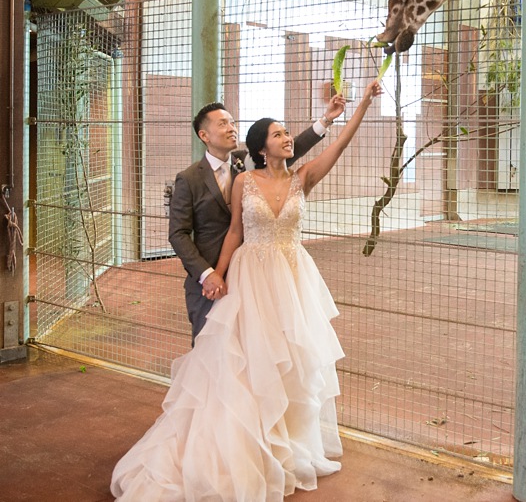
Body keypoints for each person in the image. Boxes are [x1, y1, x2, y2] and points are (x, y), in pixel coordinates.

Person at [111, 80, 382, 501]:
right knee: (232, 367)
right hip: (244, 280)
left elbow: (331, 146)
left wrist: (352, 108)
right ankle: (231, 447)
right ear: (207, 134)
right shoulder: (230, 179)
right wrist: (214, 276)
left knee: (288, 364)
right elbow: (228, 232)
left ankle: (281, 447)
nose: (286, 138)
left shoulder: (296, 176)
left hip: (292, 283)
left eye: (235, 123)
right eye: (277, 134)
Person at [170, 97, 346, 343]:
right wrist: (207, 273)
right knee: (211, 349)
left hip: (256, 276)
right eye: (222, 124)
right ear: (204, 135)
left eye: (232, 122)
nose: (232, 128)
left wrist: (325, 120)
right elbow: (178, 234)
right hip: (211, 278)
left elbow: (288, 150)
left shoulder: (248, 163)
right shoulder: (188, 179)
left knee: (258, 349)